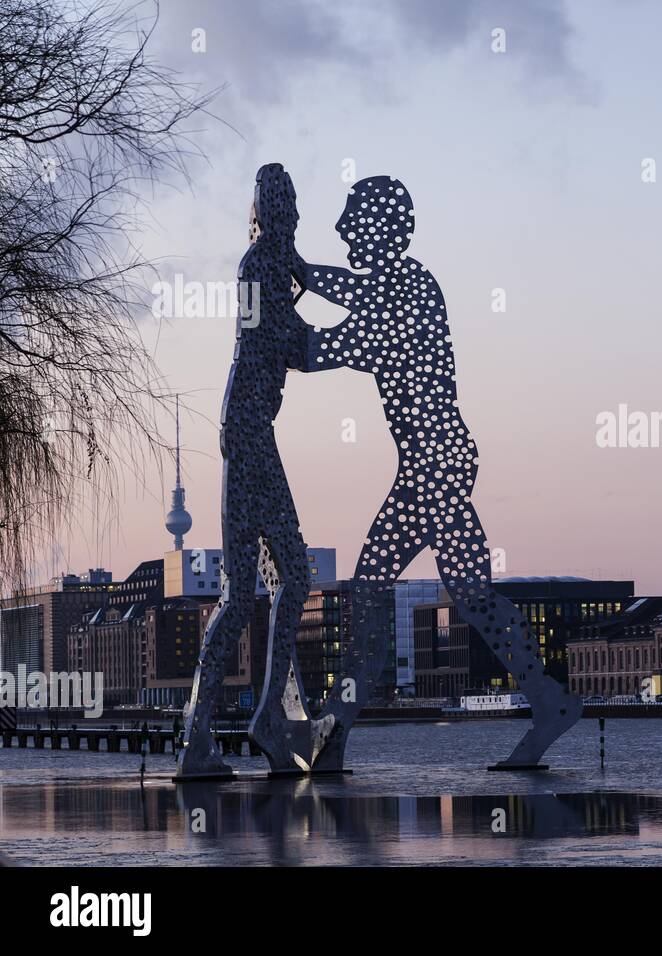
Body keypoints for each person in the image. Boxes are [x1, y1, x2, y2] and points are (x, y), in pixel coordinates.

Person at [295, 176, 580, 769]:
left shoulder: (405, 291)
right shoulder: (405, 284)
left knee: (370, 593)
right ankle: (549, 701)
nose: (344, 230)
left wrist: (272, 309)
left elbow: (318, 351)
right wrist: (298, 271)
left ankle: (333, 728)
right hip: (441, 458)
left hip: (433, 463)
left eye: (353, 219)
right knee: (473, 594)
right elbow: (347, 290)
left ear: (380, 227)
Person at [179, 164, 315, 777]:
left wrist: (305, 277)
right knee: (266, 586)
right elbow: (283, 342)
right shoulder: (260, 266)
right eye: (284, 206)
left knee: (267, 585)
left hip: (248, 433)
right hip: (250, 436)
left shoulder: (268, 264)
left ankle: (219, 730)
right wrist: (354, 338)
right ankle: (231, 727)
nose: (289, 216)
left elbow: (281, 329)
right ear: (272, 212)